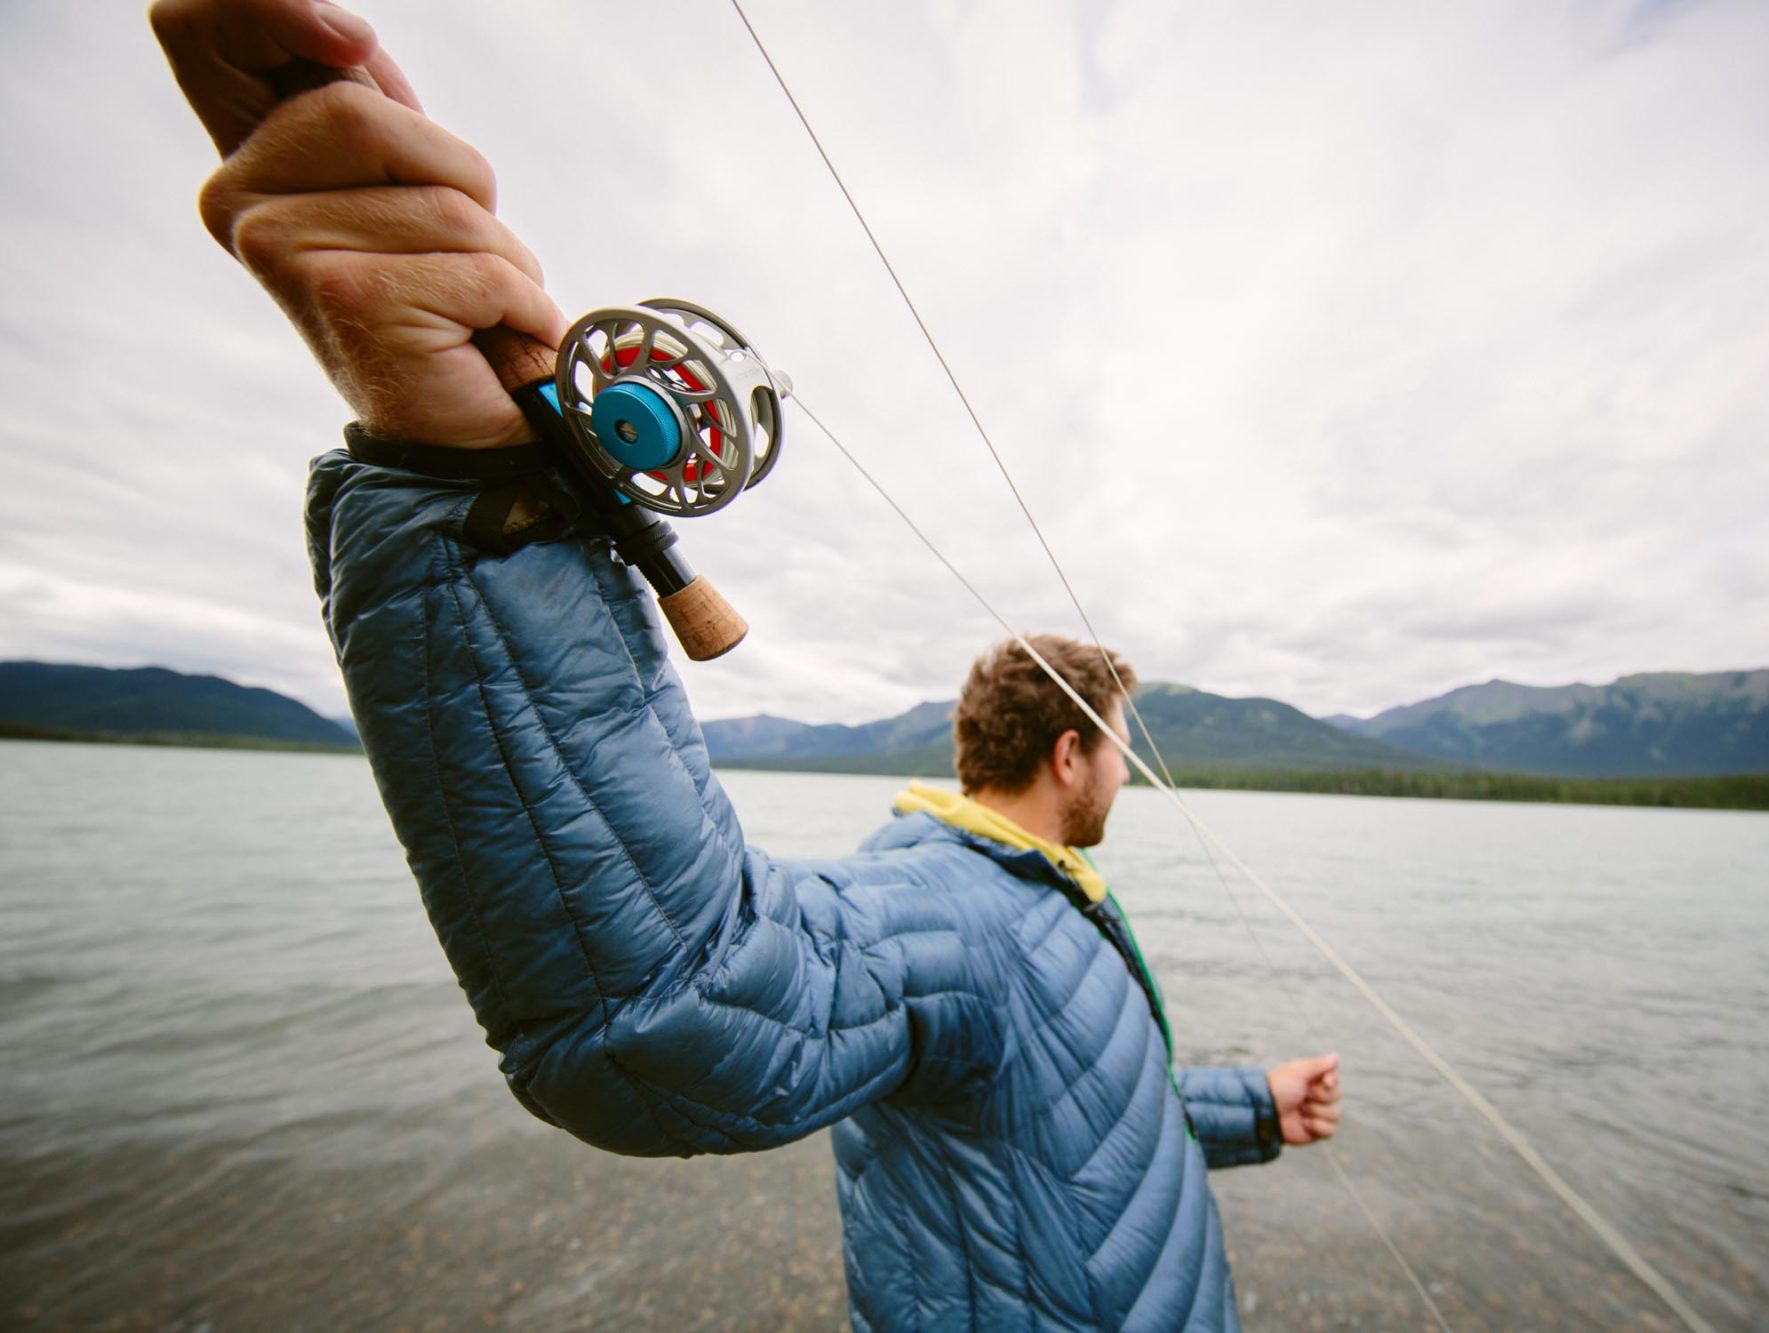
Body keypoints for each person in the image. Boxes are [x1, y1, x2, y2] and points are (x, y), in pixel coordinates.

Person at [152, 2, 1342, 1327]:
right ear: (1071, 751)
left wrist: (1251, 1107)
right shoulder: (952, 914)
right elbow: (688, 1003)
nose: (1127, 768)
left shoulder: (1040, 902)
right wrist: (480, 485)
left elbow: (1075, 1108)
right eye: (1121, 740)